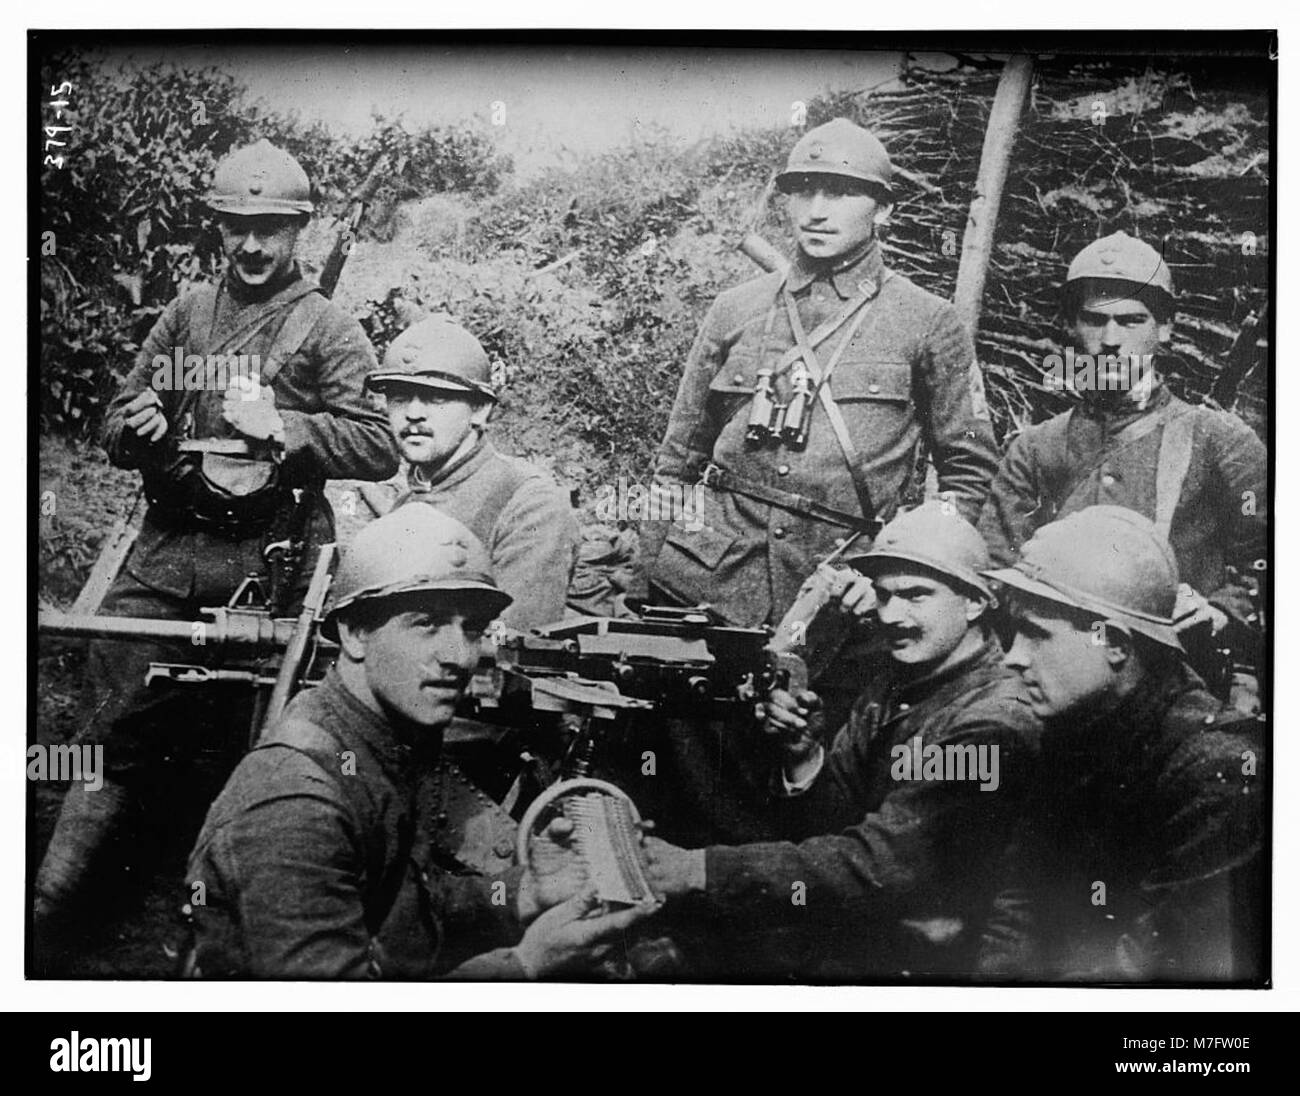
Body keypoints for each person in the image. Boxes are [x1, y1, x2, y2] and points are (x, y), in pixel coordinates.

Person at [34, 140, 398, 941]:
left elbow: (378, 442)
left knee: (267, 734)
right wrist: (139, 427)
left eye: (272, 227)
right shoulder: (188, 313)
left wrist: (290, 427)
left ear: (298, 229)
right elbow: (115, 416)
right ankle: (47, 908)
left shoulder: (328, 326)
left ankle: (228, 916)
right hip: (170, 546)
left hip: (270, 557)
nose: (254, 246)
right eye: (237, 227)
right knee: (107, 721)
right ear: (217, 228)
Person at [184, 505, 653, 978]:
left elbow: (404, 911)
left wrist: (526, 892)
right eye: (426, 623)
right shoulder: (295, 802)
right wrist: (526, 966)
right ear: (355, 633)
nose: (458, 656)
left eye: (471, 629)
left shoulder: (376, 741)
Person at [639, 503, 1040, 980]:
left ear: (975, 602)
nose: (892, 616)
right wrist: (806, 758)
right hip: (876, 926)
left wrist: (699, 872)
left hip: (944, 963)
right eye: (885, 596)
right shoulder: (900, 680)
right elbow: (835, 823)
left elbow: (881, 865)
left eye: (916, 595)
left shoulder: (992, 721)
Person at [639, 117, 999, 630]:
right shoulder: (733, 309)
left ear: (883, 210)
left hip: (843, 591)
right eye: (803, 192)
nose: (817, 211)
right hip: (700, 582)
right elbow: (677, 461)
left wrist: (899, 562)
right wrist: (641, 583)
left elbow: (969, 475)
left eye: (840, 193)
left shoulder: (927, 321)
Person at [977, 231, 1266, 704]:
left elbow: (1263, 560)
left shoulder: (1221, 443)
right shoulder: (1035, 450)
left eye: (1132, 321)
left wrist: (1218, 613)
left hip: (1182, 684)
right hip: (1057, 687)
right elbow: (996, 568)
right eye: (1095, 320)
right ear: (1072, 326)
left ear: (1165, 329)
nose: (1111, 341)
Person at [979, 505, 1264, 982]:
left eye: (1035, 634)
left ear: (1113, 644)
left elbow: (1159, 972)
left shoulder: (1219, 772)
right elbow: (1021, 901)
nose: (1013, 659)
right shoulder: (1074, 728)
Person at [368, 316, 579, 630]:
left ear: (480, 410)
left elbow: (514, 643)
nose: (413, 412)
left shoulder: (529, 503)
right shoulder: (404, 506)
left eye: (435, 397)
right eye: (399, 397)